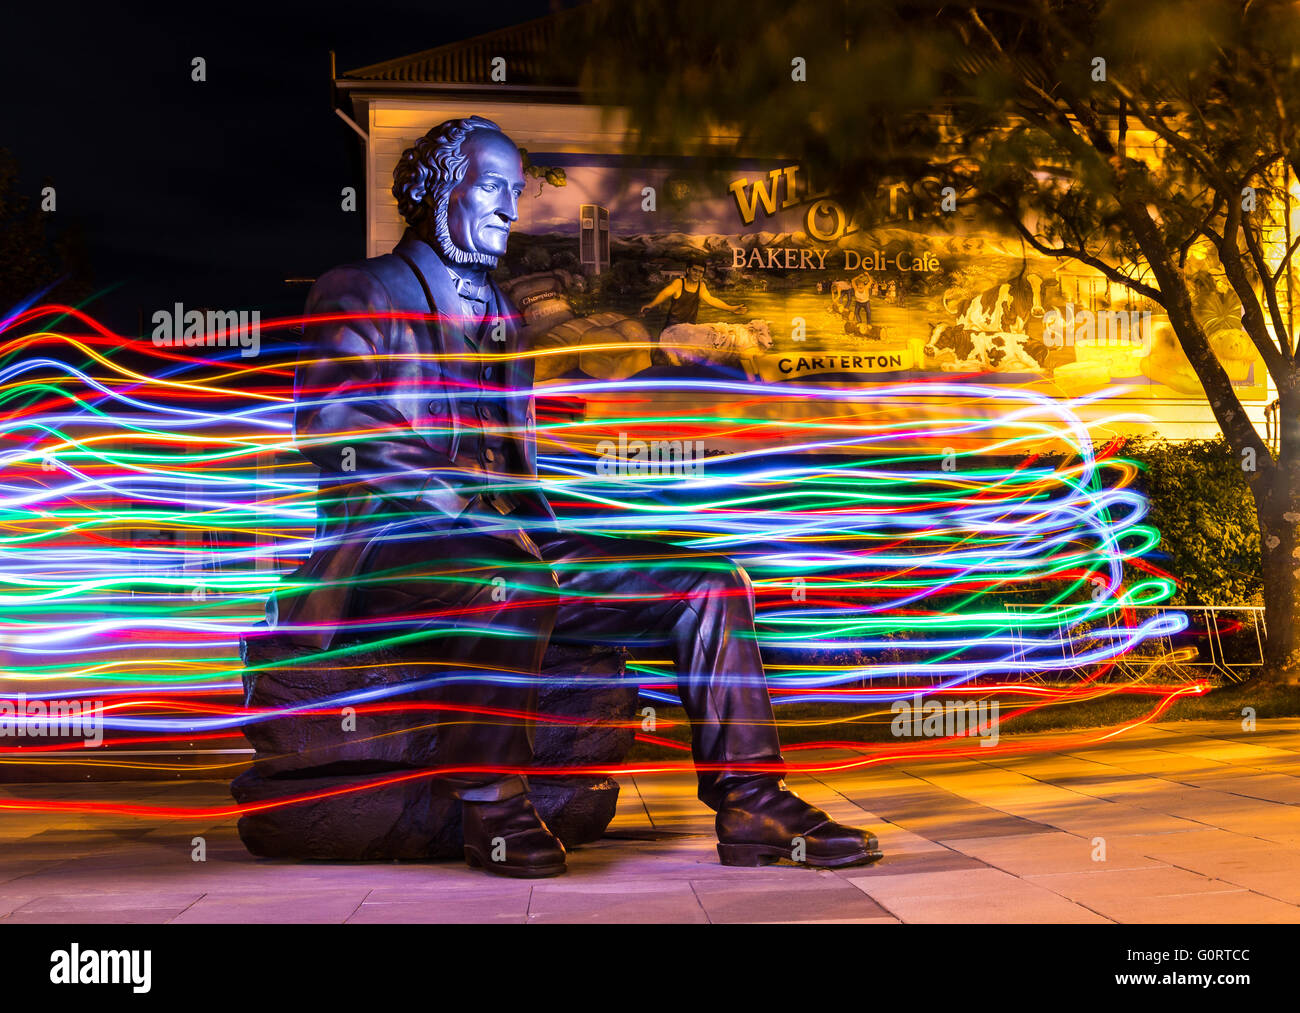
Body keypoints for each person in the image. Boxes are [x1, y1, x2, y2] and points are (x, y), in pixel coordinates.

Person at [273, 116, 882, 878]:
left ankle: (752, 798)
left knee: (710, 582)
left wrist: (542, 525)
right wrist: (465, 509)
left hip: (514, 544)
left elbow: (515, 470)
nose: (509, 209)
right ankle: (491, 804)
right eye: (492, 188)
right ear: (436, 191)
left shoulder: (503, 317)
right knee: (512, 577)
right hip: (393, 552)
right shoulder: (360, 288)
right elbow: (335, 427)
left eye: (516, 193)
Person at [640, 260, 747, 337]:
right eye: (695, 270)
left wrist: (731, 308)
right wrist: (651, 305)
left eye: (700, 272)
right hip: (673, 328)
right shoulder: (679, 283)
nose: (697, 274)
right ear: (688, 270)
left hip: (690, 328)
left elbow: (711, 299)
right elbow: (665, 293)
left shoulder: (701, 286)